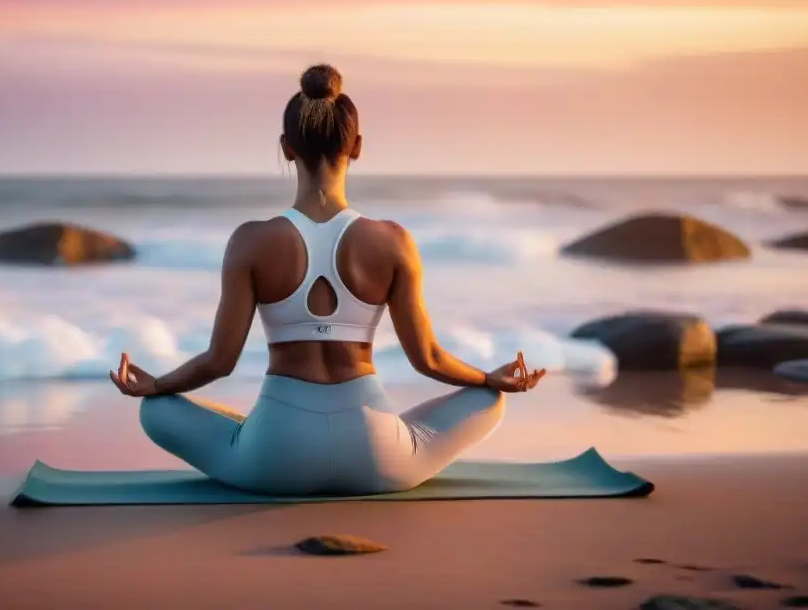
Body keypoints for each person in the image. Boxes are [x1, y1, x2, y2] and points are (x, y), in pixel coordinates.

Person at [109, 64, 546, 496]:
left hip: (275, 458)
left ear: (286, 148)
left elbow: (219, 362)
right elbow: (428, 359)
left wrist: (158, 385)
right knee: (487, 400)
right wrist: (489, 379)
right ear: (356, 147)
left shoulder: (250, 241)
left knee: (156, 411)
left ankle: (253, 430)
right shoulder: (393, 241)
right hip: (376, 457)